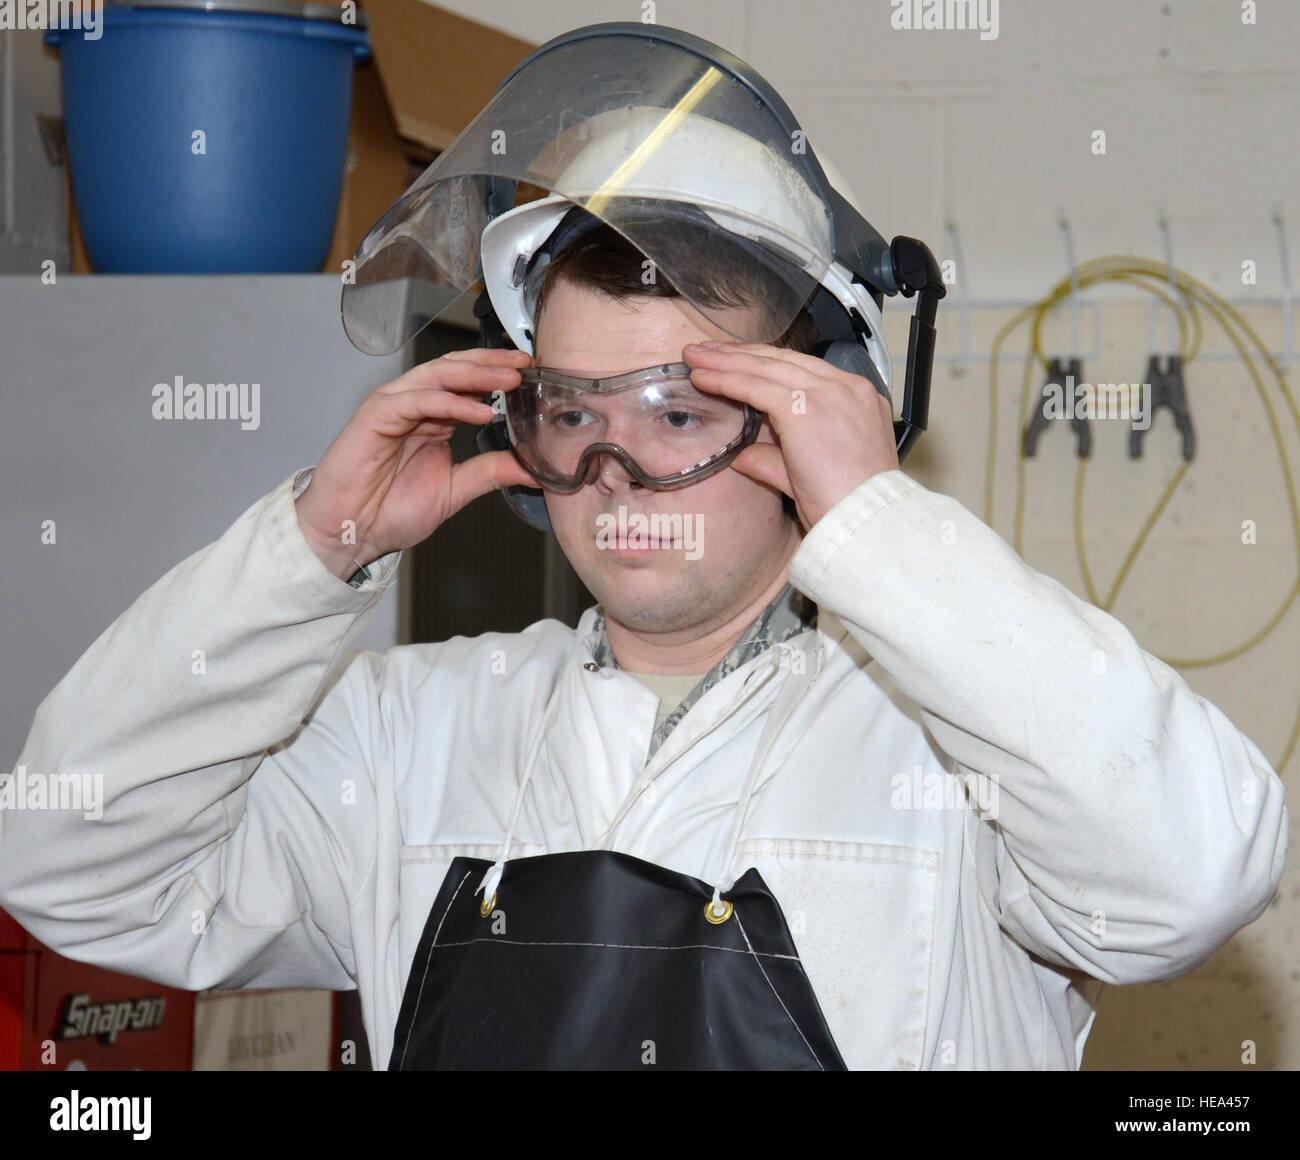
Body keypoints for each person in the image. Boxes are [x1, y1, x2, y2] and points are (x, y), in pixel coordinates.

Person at [0, 23, 1288, 1071]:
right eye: (573, 411)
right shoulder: (405, 737)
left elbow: (1192, 875)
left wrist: (885, 531)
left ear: (815, 412)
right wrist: (303, 554)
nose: (613, 472)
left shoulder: (959, 747)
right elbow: (66, 863)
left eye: (678, 409)